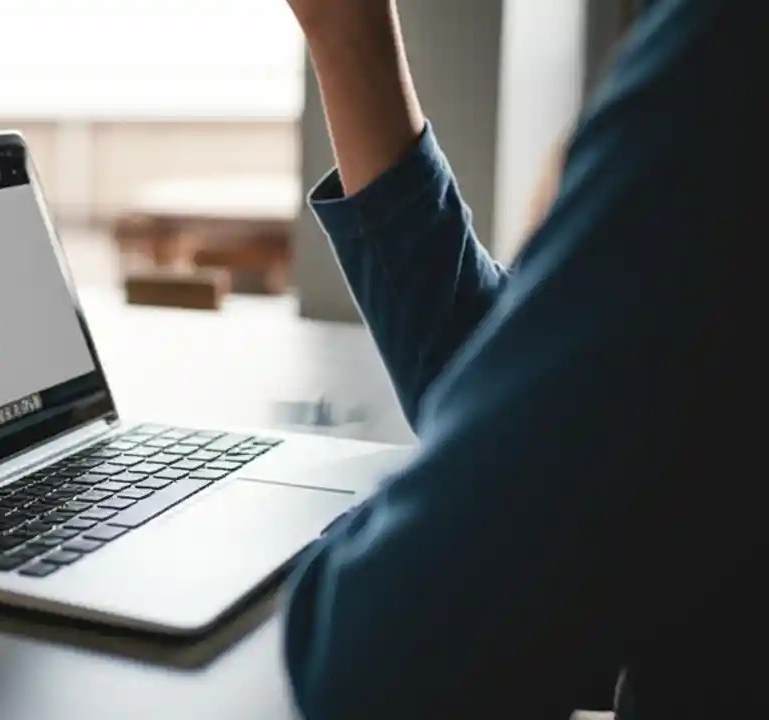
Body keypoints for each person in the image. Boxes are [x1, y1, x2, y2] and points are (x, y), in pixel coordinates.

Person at [280, 1, 751, 718]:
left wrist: (373, 538)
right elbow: (552, 406)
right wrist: (345, 31)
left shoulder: (726, 52)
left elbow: (393, 662)